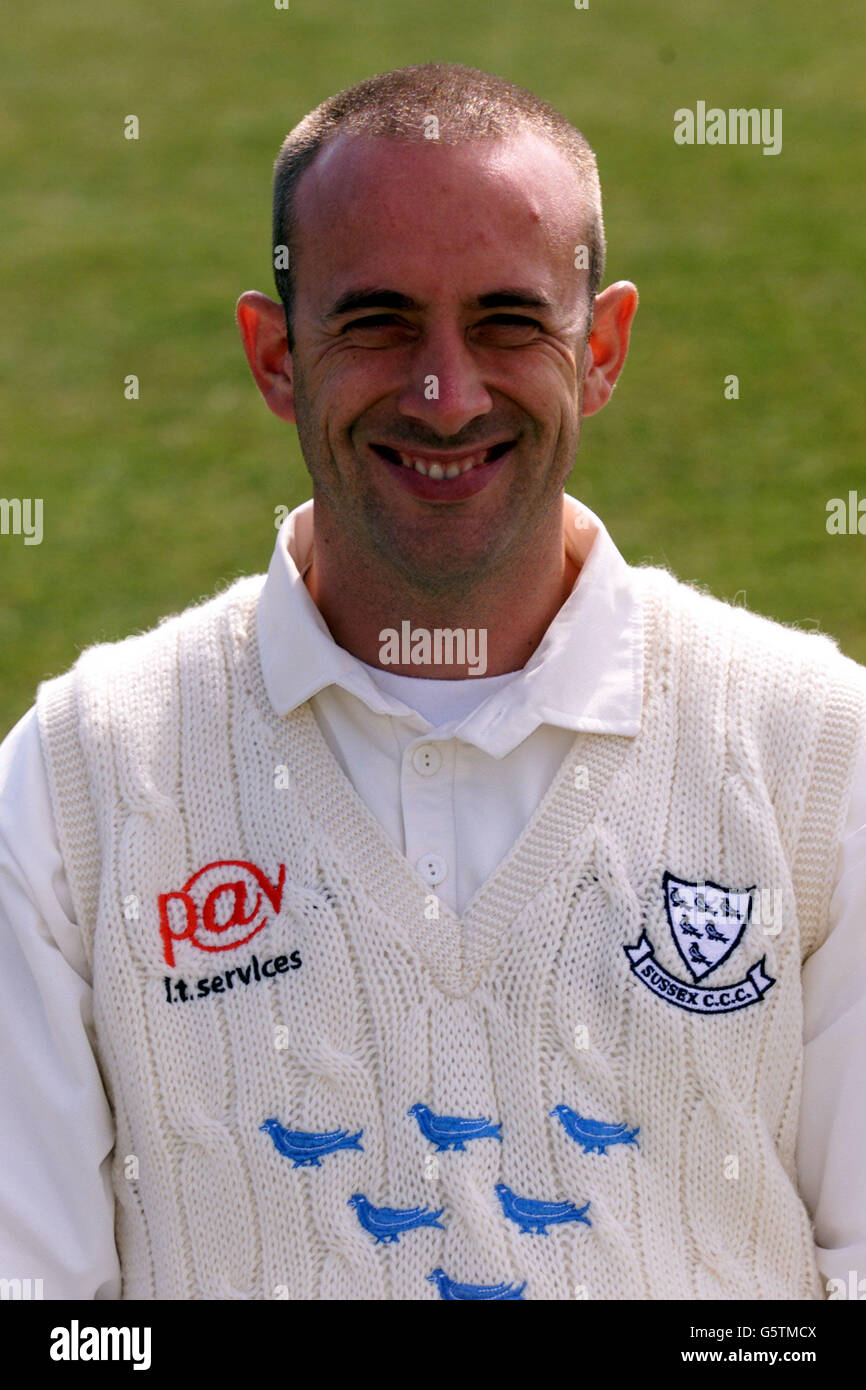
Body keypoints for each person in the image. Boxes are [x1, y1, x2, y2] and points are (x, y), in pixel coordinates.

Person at [1, 62, 864, 1302]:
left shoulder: (819, 751)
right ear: (275, 356)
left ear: (603, 347)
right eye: (376, 324)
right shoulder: (81, 778)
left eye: (509, 323)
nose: (444, 396)